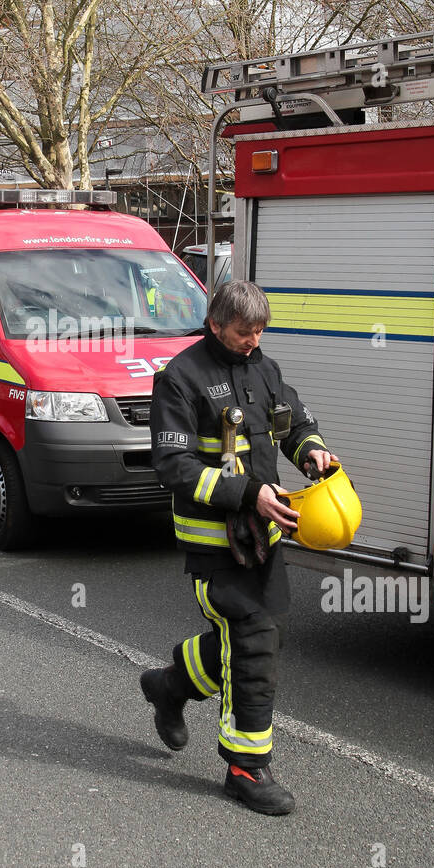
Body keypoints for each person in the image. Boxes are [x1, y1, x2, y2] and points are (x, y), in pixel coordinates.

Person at [145, 279, 338, 817]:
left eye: (260, 331)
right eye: (243, 332)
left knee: (257, 636)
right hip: (214, 546)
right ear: (214, 325)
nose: (254, 340)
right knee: (252, 640)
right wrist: (249, 494)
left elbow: (295, 423)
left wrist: (314, 455)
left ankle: (170, 685)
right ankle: (245, 769)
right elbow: (174, 467)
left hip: (265, 540)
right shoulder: (180, 379)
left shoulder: (264, 369)